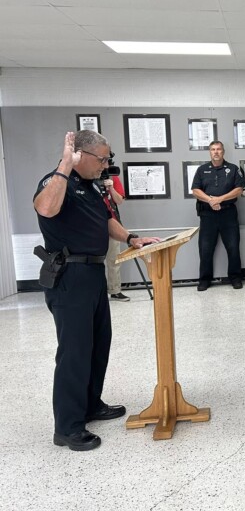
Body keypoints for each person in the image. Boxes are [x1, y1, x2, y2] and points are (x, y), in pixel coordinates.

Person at [34, 131, 159, 451]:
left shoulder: (91, 186)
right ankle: (67, 427)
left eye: (107, 159)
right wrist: (65, 165)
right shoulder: (55, 180)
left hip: (92, 272)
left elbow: (106, 223)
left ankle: (90, 404)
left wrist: (132, 238)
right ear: (79, 155)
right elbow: (46, 209)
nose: (105, 164)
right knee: (75, 352)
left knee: (97, 344)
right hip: (69, 275)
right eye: (101, 158)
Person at [191, 141, 245, 291]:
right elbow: (195, 190)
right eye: (213, 149)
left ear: (223, 151)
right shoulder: (202, 170)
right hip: (207, 214)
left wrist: (220, 199)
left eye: (219, 149)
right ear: (210, 152)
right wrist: (210, 200)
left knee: (233, 246)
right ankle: (204, 279)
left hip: (228, 213)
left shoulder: (233, 169)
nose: (216, 152)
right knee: (205, 248)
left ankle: (235, 278)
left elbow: (239, 189)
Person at [102, 172, 130, 302]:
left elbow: (120, 200)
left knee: (114, 259)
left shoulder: (112, 177)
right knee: (93, 262)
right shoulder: (85, 176)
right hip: (92, 225)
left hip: (112, 224)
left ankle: (115, 290)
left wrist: (111, 188)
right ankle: (97, 291)